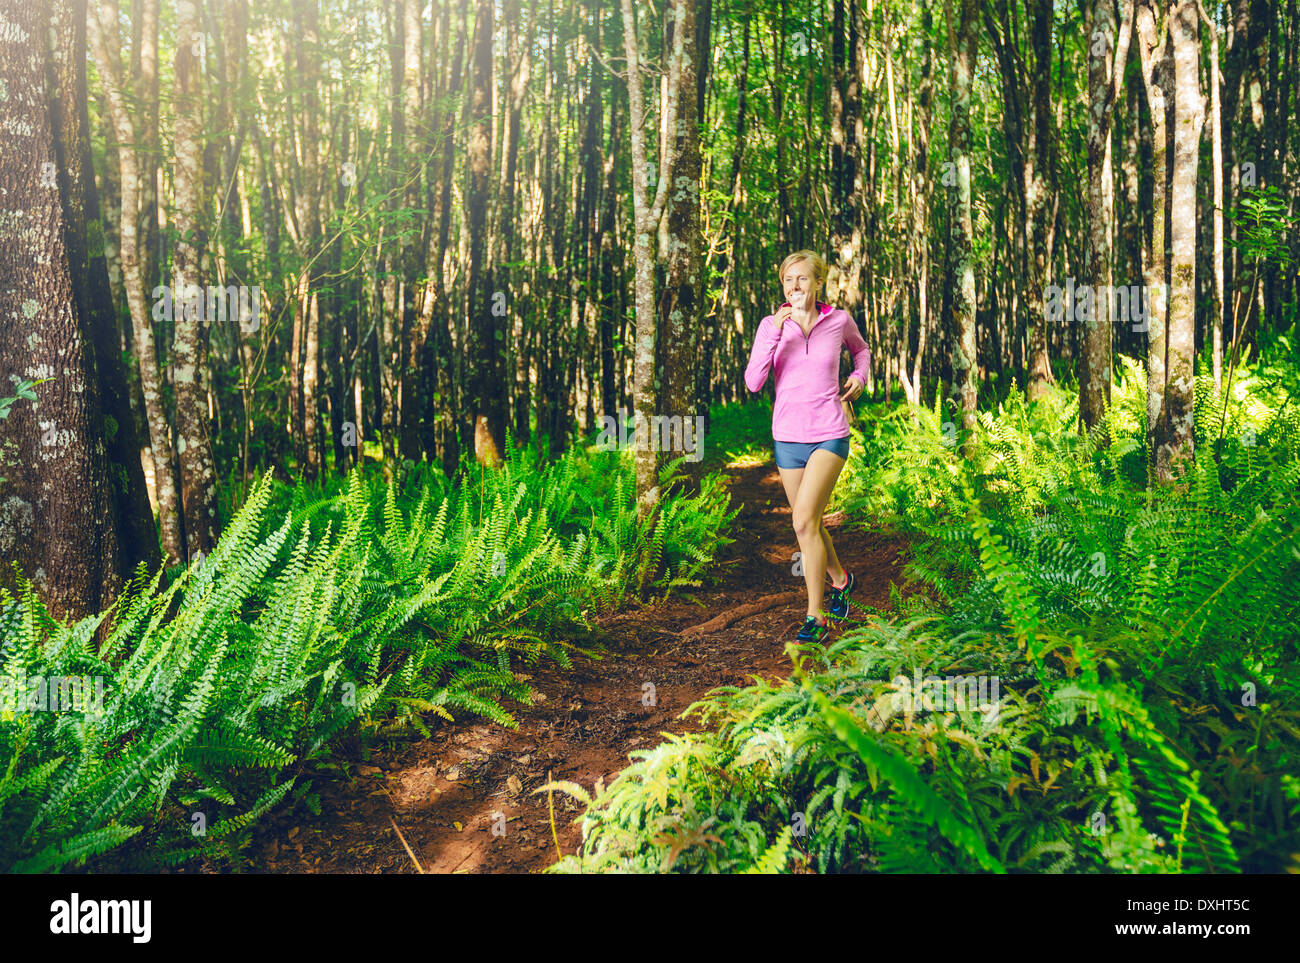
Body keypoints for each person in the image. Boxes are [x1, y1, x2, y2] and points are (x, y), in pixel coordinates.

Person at [744, 250, 869, 643]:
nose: (794, 286)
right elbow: (752, 381)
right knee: (809, 522)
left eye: (801, 279)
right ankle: (842, 579)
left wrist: (860, 376)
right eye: (787, 280)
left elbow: (861, 351)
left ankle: (815, 615)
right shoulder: (770, 325)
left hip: (830, 432)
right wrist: (775, 335)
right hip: (787, 437)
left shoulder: (839, 321)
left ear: (818, 283)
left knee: (802, 521)